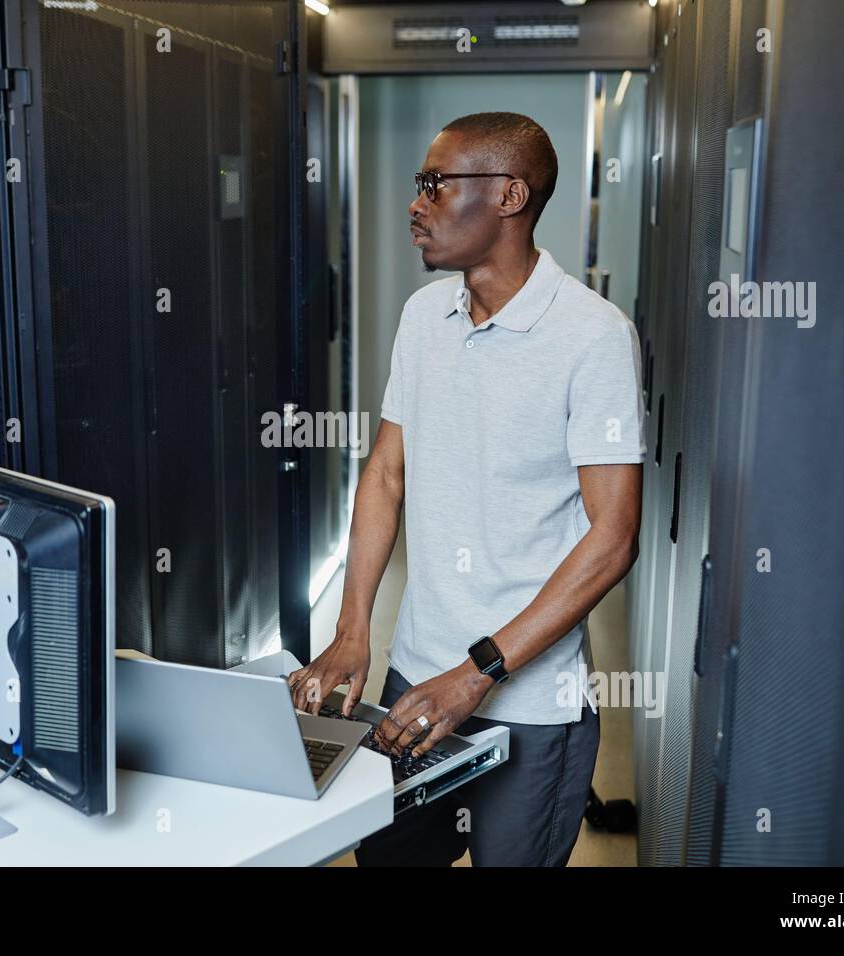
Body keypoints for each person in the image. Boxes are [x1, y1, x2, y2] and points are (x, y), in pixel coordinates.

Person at [288, 111, 645, 867]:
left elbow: (612, 538)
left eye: (435, 185)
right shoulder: (424, 318)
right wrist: (355, 632)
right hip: (415, 677)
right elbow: (387, 473)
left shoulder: (595, 336)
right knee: (387, 861)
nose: (416, 205)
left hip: (527, 706)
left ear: (511, 195)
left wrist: (479, 671)